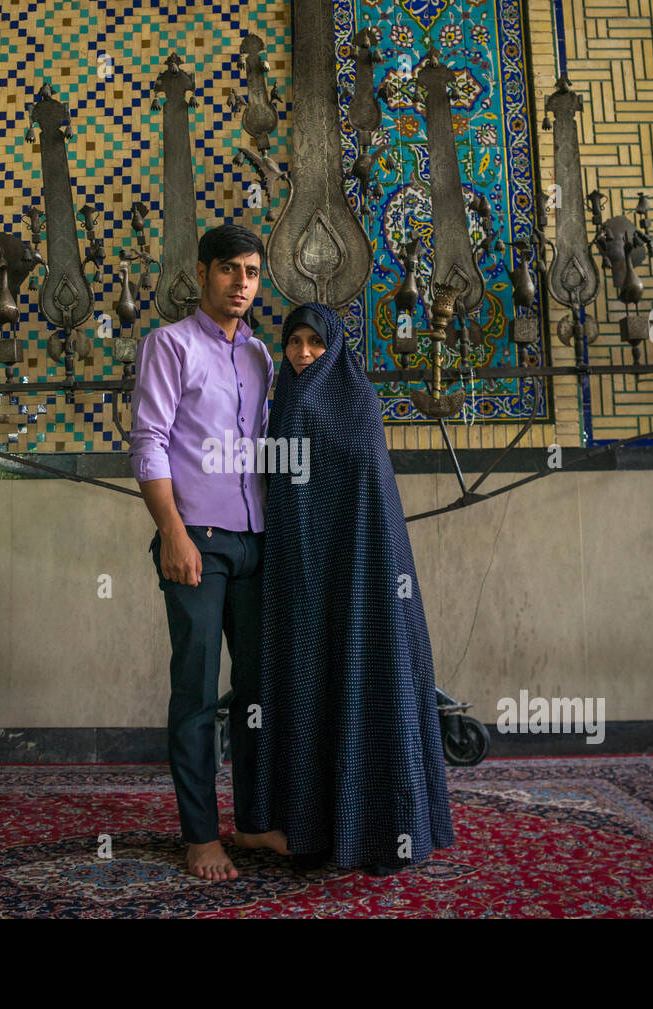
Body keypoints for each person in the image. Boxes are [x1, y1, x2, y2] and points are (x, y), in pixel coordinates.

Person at [247, 303, 456, 875]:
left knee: (364, 681)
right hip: (300, 575)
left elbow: (363, 485)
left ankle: (375, 830)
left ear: (336, 346)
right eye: (294, 342)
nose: (304, 353)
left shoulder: (356, 400)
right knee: (309, 688)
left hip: (362, 572)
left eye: (316, 342)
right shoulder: (283, 400)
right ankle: (306, 830)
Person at [128, 223, 287, 882]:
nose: (241, 283)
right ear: (203, 273)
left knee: (256, 691)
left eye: (251, 272)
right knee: (195, 692)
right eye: (229, 270)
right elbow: (148, 441)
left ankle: (251, 822)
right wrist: (173, 531)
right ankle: (200, 835)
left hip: (258, 544)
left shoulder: (261, 356)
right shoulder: (168, 345)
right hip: (199, 543)